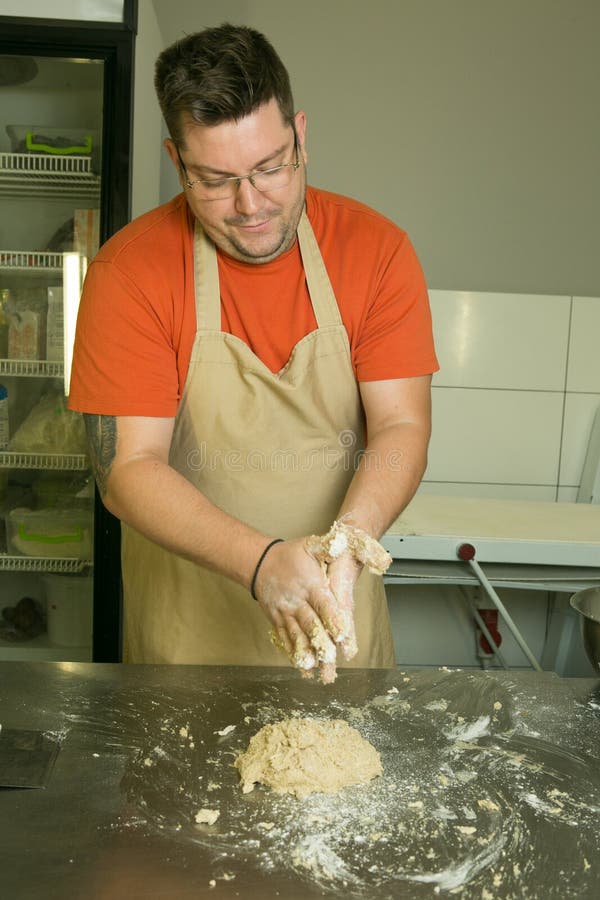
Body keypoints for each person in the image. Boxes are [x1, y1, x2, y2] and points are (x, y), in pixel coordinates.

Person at [69, 23, 439, 683]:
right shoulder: (131, 273)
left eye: (271, 168)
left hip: (338, 623)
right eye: (216, 180)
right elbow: (129, 469)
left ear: (300, 136)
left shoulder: (375, 251)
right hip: (186, 648)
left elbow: (401, 424)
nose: (251, 205)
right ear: (176, 161)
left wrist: (351, 540)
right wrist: (263, 563)